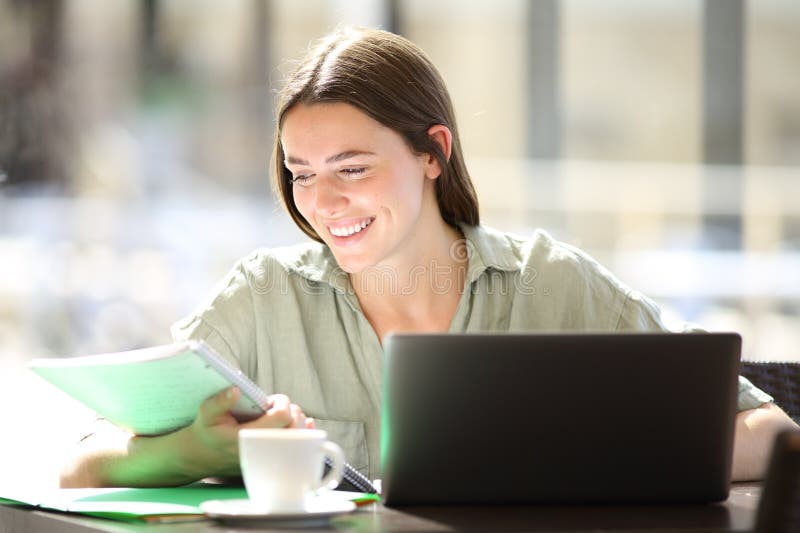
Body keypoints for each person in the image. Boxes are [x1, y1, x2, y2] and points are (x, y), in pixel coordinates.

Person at [60, 27, 798, 488]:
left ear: (431, 153)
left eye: (352, 168)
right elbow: (84, 458)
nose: (323, 202)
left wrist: (583, 457)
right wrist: (189, 453)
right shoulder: (265, 297)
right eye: (302, 173)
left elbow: (772, 437)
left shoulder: (551, 283)